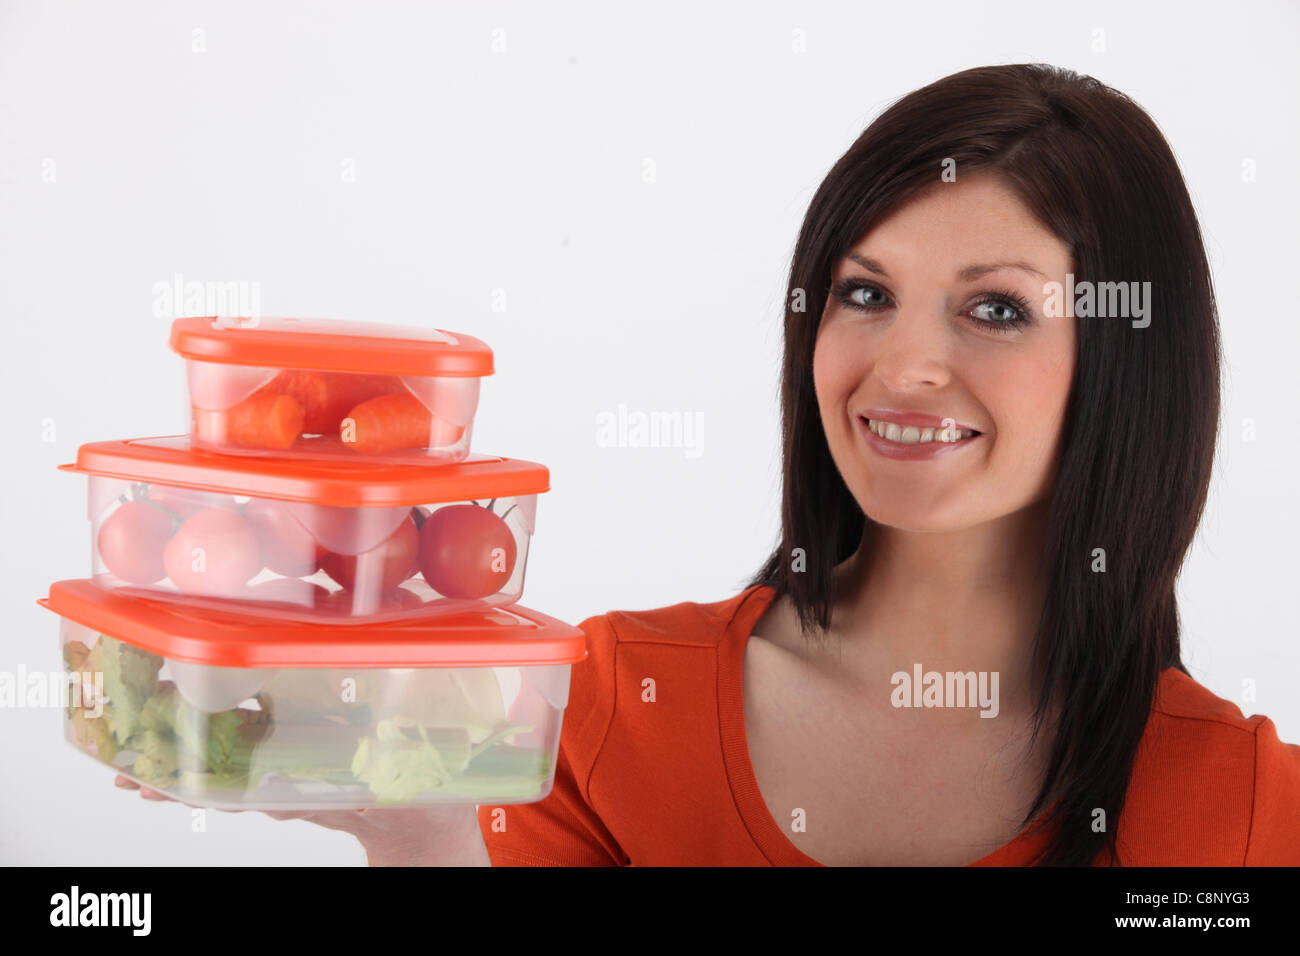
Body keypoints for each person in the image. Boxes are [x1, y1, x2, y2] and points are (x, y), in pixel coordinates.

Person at [120, 63, 1300, 866]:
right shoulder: (609, 703)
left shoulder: (1241, 806)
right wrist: (416, 833)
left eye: (994, 309)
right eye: (864, 294)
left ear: (1132, 359)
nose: (904, 364)